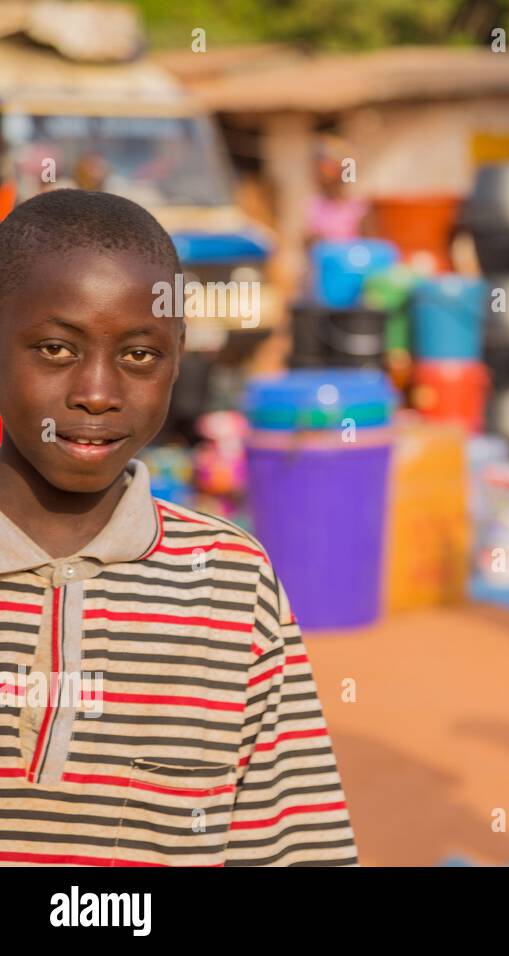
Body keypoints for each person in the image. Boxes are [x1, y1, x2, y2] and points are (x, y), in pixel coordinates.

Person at [0, 189, 357, 866]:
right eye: (55, 348)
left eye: (139, 355)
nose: (97, 393)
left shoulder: (230, 584)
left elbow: (295, 849)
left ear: (179, 356)